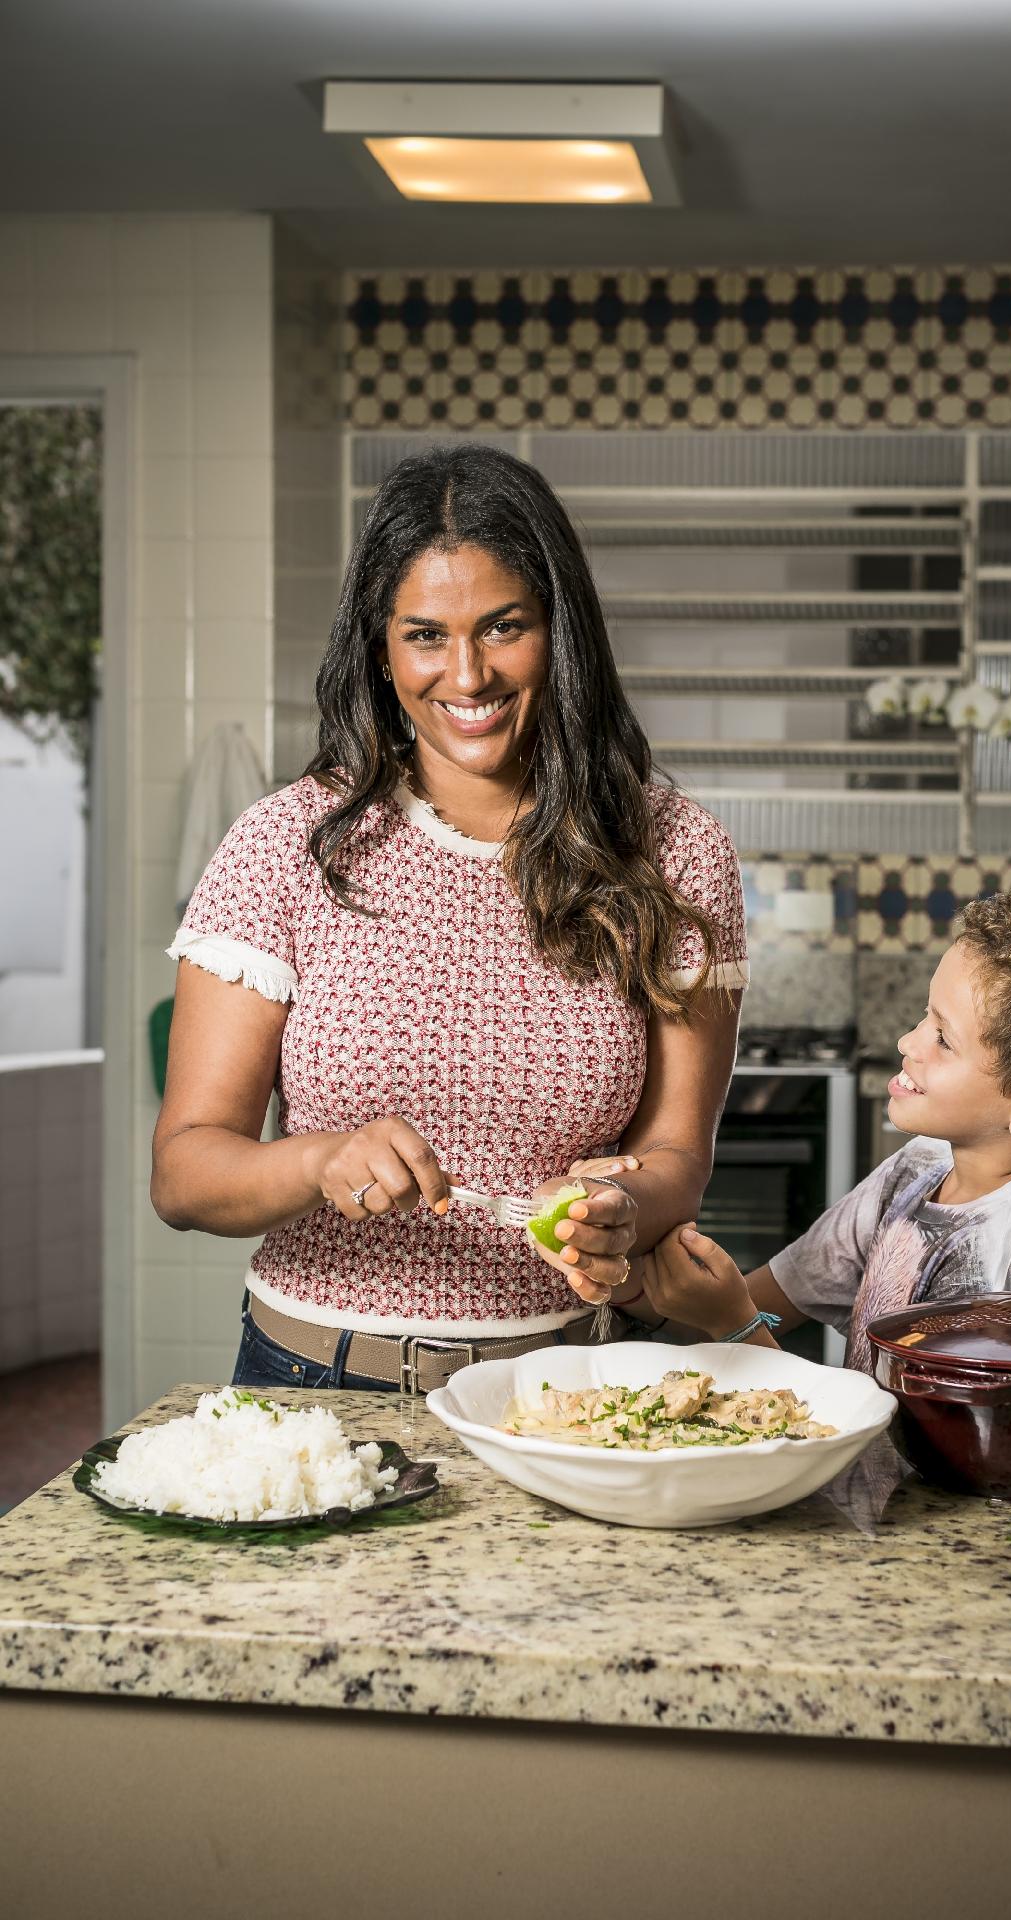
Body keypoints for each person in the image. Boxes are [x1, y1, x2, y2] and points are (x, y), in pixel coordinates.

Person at [150, 443, 748, 1395]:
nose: (466, 676)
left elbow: (678, 1154)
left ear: (562, 634)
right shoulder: (288, 844)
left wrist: (619, 1207)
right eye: (425, 634)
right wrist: (318, 1160)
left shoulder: (673, 851)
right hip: (317, 1382)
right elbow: (184, 1174)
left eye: (503, 627)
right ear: (379, 650)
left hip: (562, 1389)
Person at [633, 895, 1011, 1365]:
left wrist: (731, 1324)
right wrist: (626, 1268)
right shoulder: (921, 1166)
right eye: (925, 1016)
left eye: (943, 1038)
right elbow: (761, 1302)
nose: (906, 1042)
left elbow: (918, 1443)